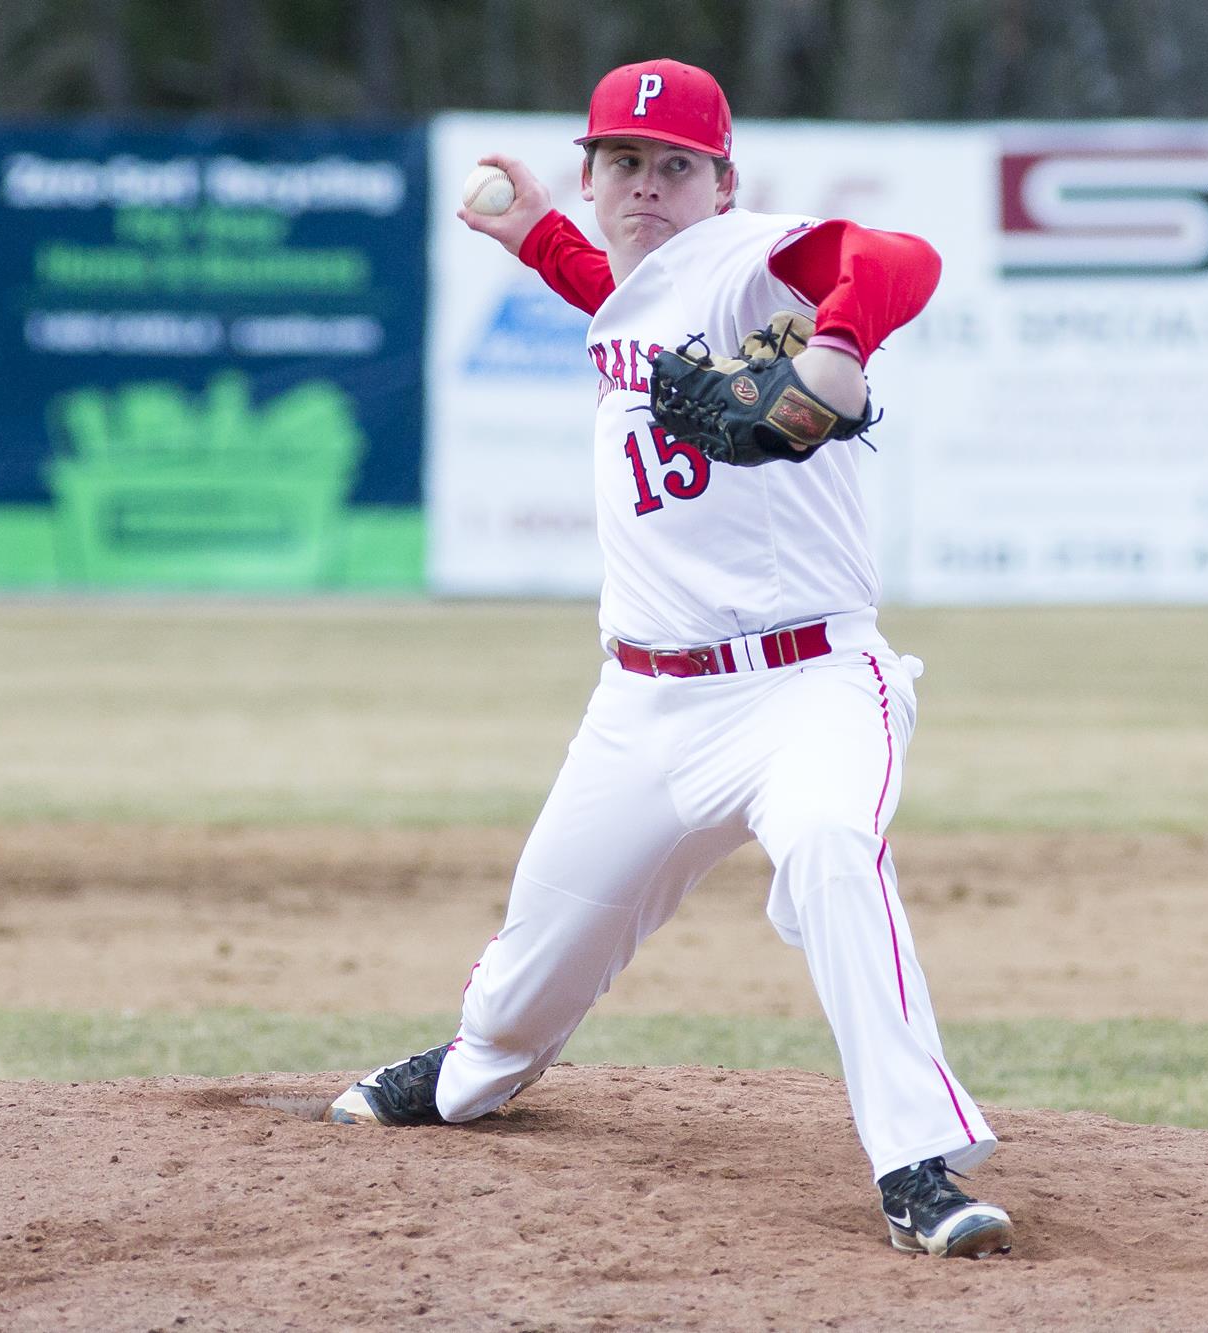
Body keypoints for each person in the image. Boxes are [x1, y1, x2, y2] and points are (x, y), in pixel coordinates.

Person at [324, 57, 1012, 1261]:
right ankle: (470, 1071)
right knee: (521, 988)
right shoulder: (635, 292)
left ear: (721, 181)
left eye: (674, 165)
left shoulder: (756, 259)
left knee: (829, 848)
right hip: (643, 709)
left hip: (807, 684)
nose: (647, 184)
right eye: (622, 163)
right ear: (594, 176)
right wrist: (535, 234)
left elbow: (901, 259)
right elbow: (621, 305)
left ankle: (917, 1160)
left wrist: (839, 346)